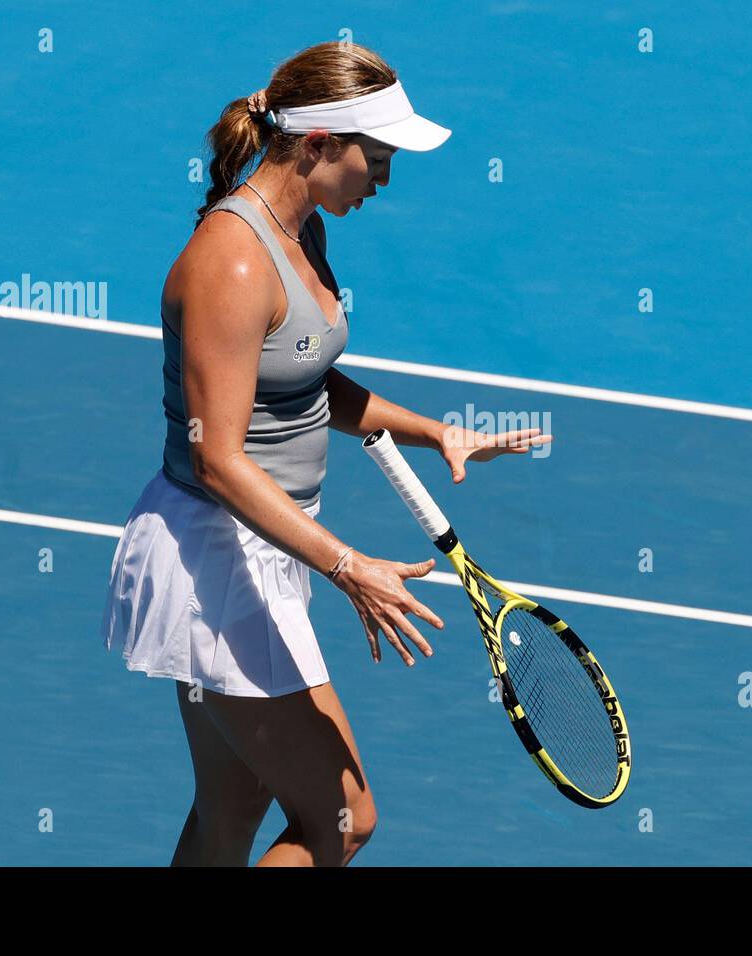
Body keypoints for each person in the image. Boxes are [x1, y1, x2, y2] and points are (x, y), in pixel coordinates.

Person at [99, 41, 549, 867]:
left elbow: (301, 379)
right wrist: (351, 569)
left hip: (267, 548)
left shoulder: (298, 231)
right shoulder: (233, 262)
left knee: (231, 810)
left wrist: (436, 431)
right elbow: (219, 460)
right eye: (375, 159)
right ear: (316, 146)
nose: (384, 180)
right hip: (215, 562)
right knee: (344, 818)